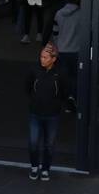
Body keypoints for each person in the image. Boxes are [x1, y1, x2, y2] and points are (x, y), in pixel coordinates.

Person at [27, 43, 68, 181]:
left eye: (45, 57)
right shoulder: (34, 70)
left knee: (49, 144)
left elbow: (64, 92)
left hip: (52, 115)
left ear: (53, 59)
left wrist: (56, 105)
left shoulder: (60, 73)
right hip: (35, 113)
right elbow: (27, 87)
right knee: (33, 142)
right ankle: (34, 167)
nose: (42, 60)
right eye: (41, 57)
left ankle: (45, 169)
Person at [51, 0, 86, 106]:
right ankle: (73, 97)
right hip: (76, 50)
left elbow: (55, 33)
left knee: (63, 75)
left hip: (61, 50)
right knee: (75, 76)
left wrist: (56, 46)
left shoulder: (59, 14)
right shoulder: (82, 14)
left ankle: (63, 96)